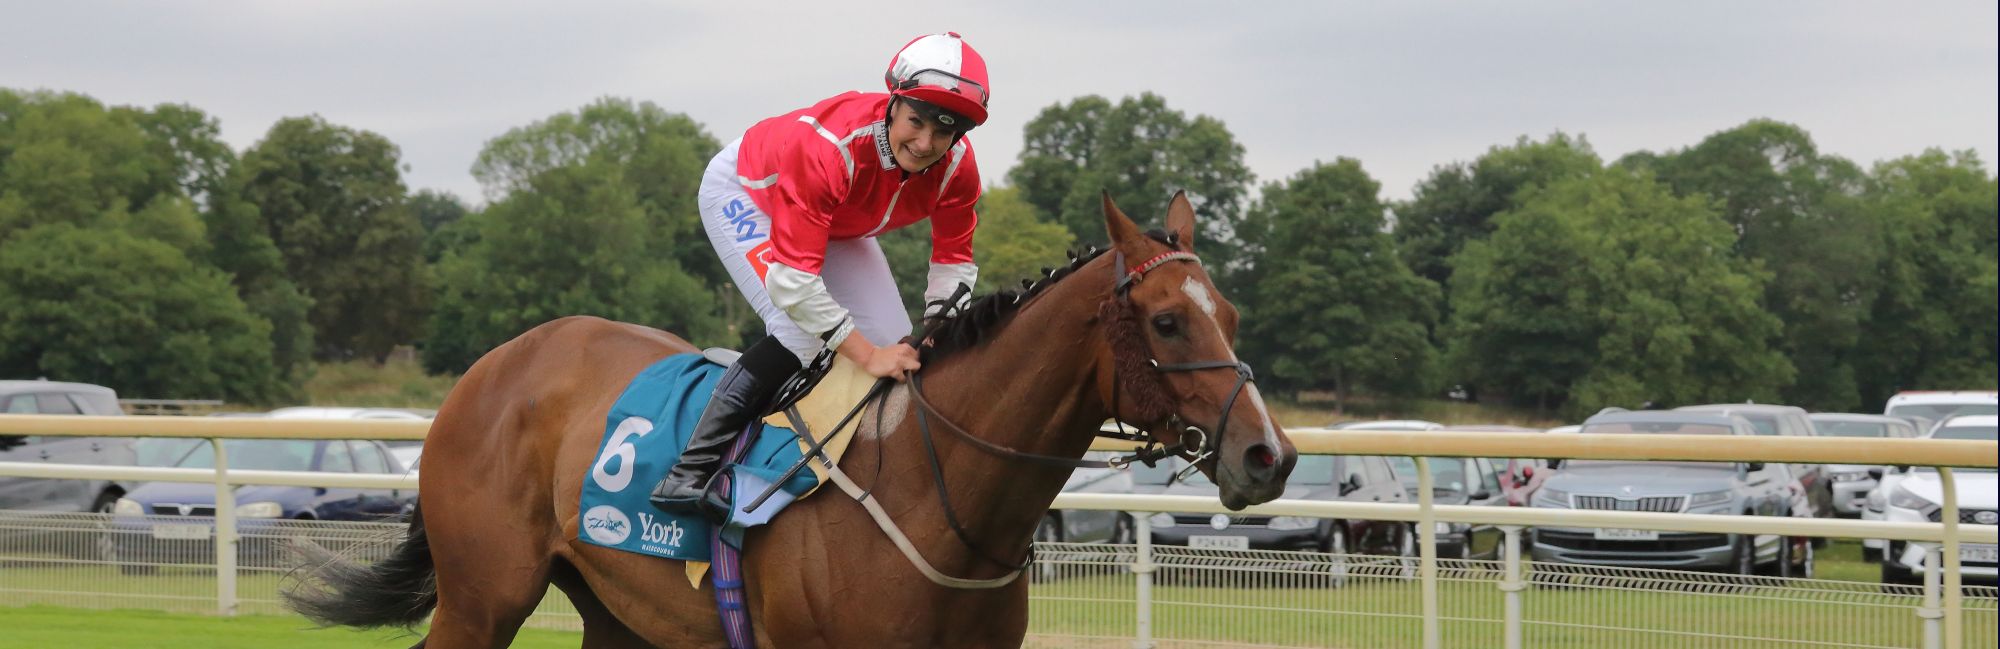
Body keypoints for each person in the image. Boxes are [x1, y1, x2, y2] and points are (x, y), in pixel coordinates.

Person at [650, 32, 992, 518]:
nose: (925, 143)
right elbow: (795, 285)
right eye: (915, 121)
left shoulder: (958, 166)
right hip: (749, 193)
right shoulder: (830, 148)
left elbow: (954, 262)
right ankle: (689, 471)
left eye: (945, 132)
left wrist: (938, 332)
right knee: (801, 330)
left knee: (899, 343)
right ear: (893, 103)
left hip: (838, 220)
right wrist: (867, 355)